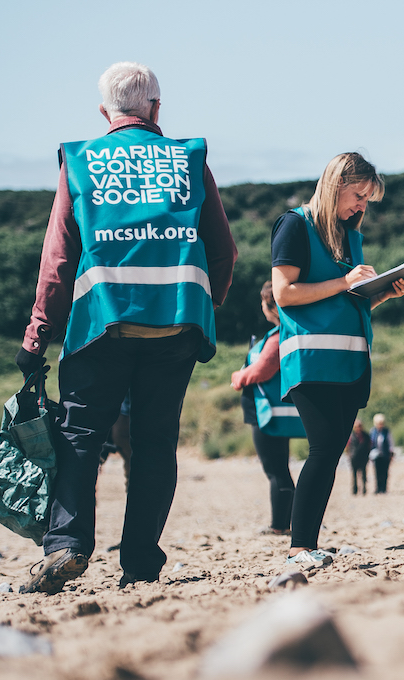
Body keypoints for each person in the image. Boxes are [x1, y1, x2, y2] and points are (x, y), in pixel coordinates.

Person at [15, 62, 237, 593]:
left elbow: (57, 260)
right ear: (157, 108)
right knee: (156, 442)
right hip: (177, 324)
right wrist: (205, 307)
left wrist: (35, 338)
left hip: (101, 326)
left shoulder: (81, 160)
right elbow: (223, 250)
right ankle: (139, 561)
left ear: (104, 112)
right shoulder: (189, 158)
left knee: (79, 438)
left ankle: (67, 546)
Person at [272, 152, 404, 567]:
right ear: (335, 185)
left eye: (368, 198)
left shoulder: (350, 234)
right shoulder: (294, 224)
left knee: (329, 453)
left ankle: (307, 542)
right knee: (324, 448)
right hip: (311, 359)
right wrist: (344, 281)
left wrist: (381, 293)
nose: (363, 205)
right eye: (359, 195)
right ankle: (299, 546)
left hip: (349, 362)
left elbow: (345, 302)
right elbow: (284, 293)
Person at [230, 280, 303, 535]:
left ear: (270, 305)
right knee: (279, 468)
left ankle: (280, 526)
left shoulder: (278, 335)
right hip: (275, 411)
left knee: (275, 470)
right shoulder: (289, 331)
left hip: (268, 413)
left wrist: (238, 377)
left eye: (263, 303)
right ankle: (284, 524)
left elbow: (263, 370)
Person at [369, 413, 394, 494]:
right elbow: (370, 443)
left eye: (382, 423)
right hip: (376, 456)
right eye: (379, 424)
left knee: (385, 472)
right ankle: (378, 488)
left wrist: (391, 453)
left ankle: (384, 488)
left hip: (385, 455)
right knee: (377, 472)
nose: (381, 425)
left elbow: (390, 443)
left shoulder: (386, 431)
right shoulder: (373, 432)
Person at [347, 418, 371, 494]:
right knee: (354, 475)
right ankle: (354, 490)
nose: (358, 428)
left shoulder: (366, 436)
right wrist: (349, 455)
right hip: (354, 458)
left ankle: (364, 489)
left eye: (360, 426)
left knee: (364, 474)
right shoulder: (351, 436)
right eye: (357, 426)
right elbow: (347, 447)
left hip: (363, 457)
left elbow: (369, 445)